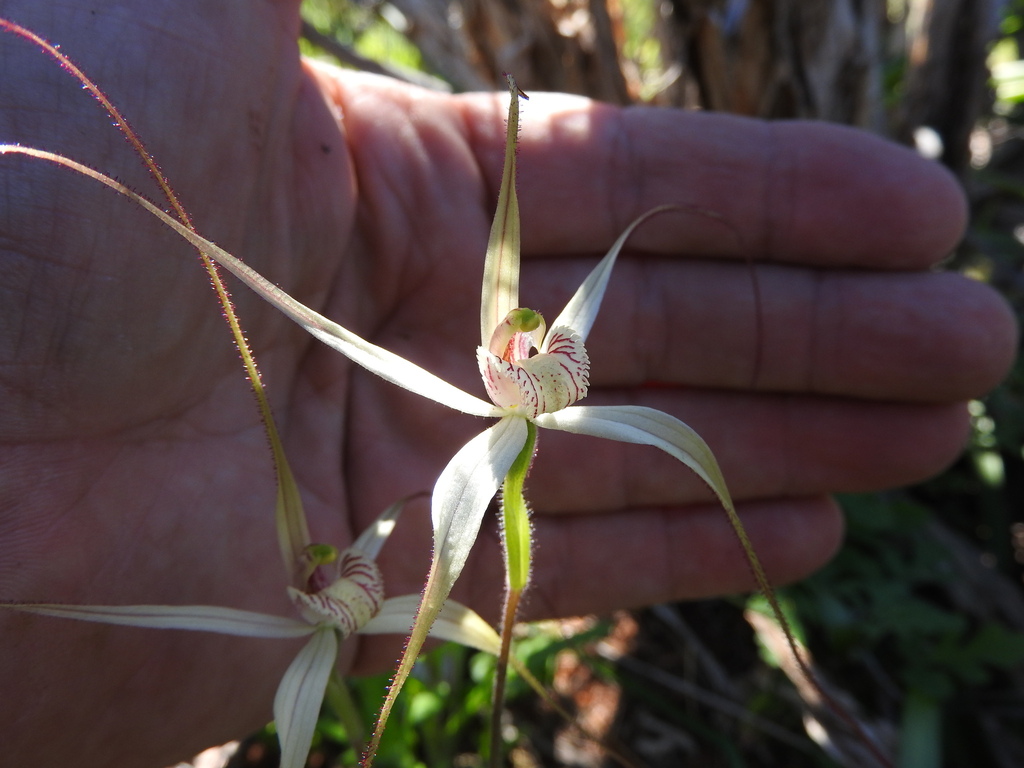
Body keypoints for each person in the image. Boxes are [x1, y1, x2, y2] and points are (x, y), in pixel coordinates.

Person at [0, 1, 1015, 766]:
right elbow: (312, 332)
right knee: (455, 604)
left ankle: (739, 668)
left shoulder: (521, 408)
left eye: (535, 334)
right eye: (516, 337)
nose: (531, 334)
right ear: (492, 360)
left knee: (694, 506)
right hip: (438, 500)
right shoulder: (441, 490)